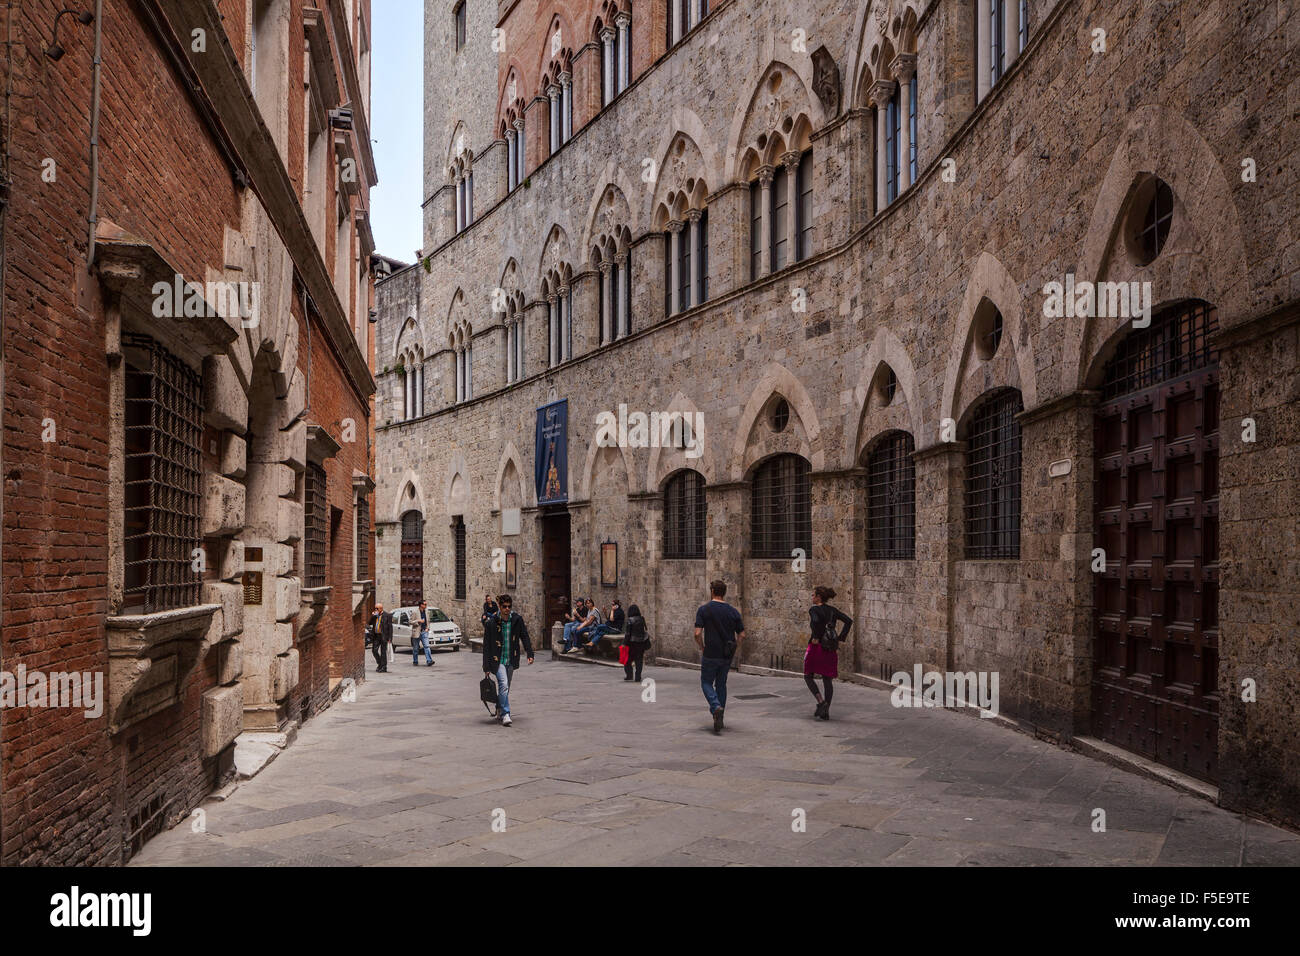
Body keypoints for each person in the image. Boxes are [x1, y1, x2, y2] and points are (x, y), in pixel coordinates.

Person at [693, 580, 745, 734]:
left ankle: (716, 707)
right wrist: (735, 647)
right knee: (721, 684)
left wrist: (702, 646)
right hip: (726, 655)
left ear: (712, 591)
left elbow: (697, 633)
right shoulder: (733, 611)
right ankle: (719, 715)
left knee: (706, 682)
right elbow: (742, 634)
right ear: (724, 592)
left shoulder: (704, 609)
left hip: (711, 653)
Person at [482, 594, 533, 726]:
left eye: (509, 606)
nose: (507, 609)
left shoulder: (516, 620)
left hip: (511, 658)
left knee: (506, 687)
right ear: (500, 606)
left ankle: (499, 707)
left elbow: (524, 636)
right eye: (504, 606)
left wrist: (529, 653)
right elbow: (486, 646)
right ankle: (506, 714)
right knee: (503, 685)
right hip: (497, 660)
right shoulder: (491, 622)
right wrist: (486, 667)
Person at [805, 586, 853, 720]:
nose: (812, 597)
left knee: (808, 675)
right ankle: (826, 709)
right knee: (827, 678)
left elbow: (815, 621)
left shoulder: (813, 609)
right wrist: (841, 637)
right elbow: (848, 621)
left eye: (813, 595)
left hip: (816, 646)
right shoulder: (832, 610)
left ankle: (821, 702)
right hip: (830, 647)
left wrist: (815, 636)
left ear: (819, 597)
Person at [621, 604, 649, 682]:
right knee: (639, 660)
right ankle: (638, 677)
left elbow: (627, 634)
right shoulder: (642, 619)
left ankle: (629, 675)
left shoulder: (630, 620)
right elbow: (644, 630)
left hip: (632, 643)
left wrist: (624, 643)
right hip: (641, 642)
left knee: (627, 660)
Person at [369, 603, 391, 672]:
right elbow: (369, 623)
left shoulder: (387, 615)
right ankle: (380, 664)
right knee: (374, 651)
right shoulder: (375, 616)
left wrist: (390, 638)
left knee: (383, 652)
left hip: (384, 636)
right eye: (375, 608)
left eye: (377, 608)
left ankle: (384, 667)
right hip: (376, 636)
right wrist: (373, 616)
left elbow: (390, 627)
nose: (376, 610)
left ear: (381, 609)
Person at [412, 600, 434, 667]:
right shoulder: (415, 612)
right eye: (425, 604)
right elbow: (410, 622)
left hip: (424, 631)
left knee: (427, 646)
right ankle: (415, 661)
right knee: (416, 648)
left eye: (426, 604)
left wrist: (428, 628)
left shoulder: (427, 611)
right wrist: (418, 621)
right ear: (421, 605)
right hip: (417, 632)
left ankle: (429, 661)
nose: (426, 605)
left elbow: (428, 621)